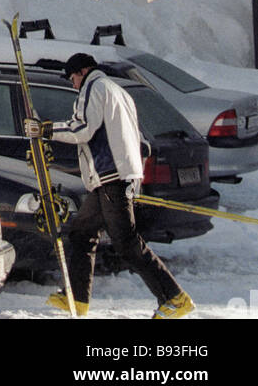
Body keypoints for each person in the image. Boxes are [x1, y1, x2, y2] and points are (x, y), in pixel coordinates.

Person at [24, 52, 194, 320]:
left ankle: (174, 298)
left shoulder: (94, 87)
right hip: (114, 177)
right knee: (82, 233)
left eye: (72, 78)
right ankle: (77, 299)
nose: (73, 85)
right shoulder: (118, 90)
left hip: (112, 177)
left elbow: (82, 129)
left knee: (126, 242)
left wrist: (45, 130)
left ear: (82, 71)